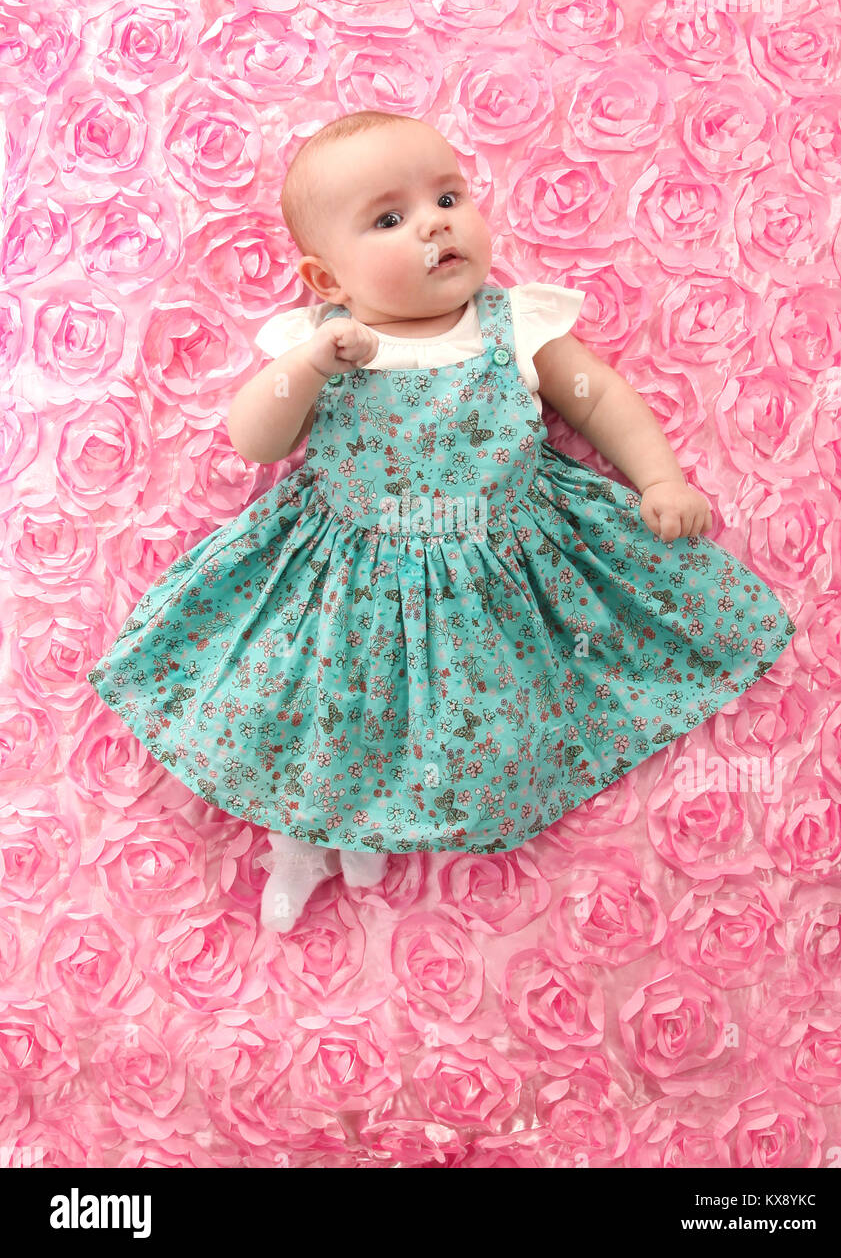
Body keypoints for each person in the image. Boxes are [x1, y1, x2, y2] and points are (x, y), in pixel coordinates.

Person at [87, 109, 797, 932]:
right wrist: (311, 364)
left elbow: (598, 397)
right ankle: (301, 841)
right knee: (313, 702)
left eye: (449, 197)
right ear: (328, 281)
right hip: (345, 569)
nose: (434, 223)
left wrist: (659, 477)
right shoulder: (322, 341)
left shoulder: (513, 323)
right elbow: (257, 439)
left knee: (468, 713)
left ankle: (373, 825)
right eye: (389, 219)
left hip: (502, 564)